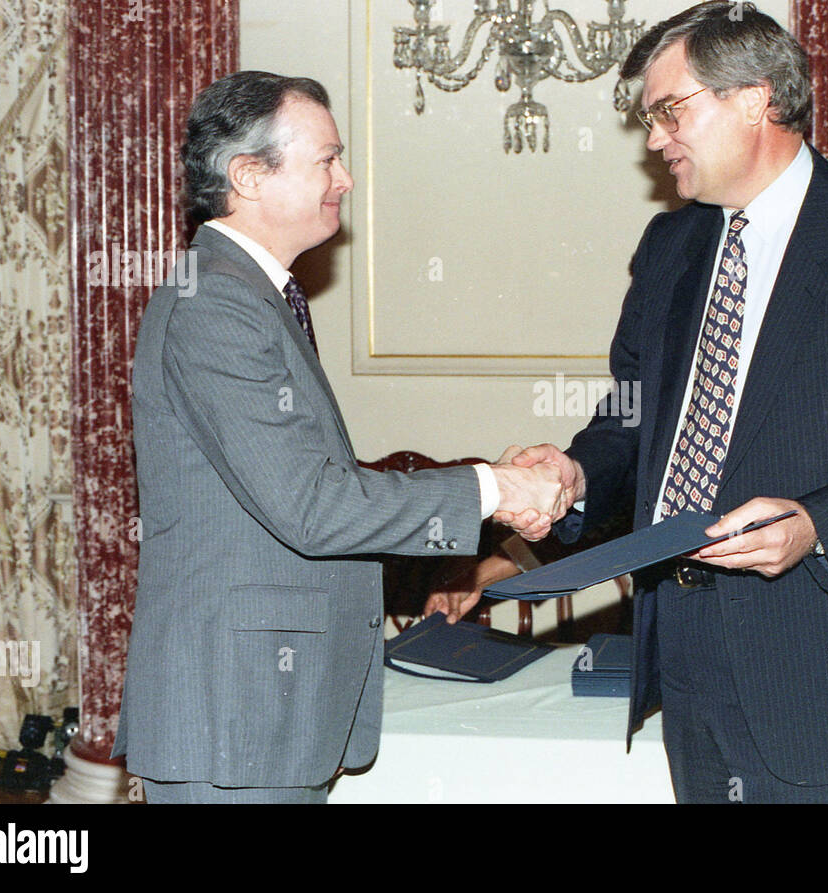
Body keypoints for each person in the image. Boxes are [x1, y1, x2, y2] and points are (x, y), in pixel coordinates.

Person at [502, 2, 828, 803]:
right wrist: (575, 474)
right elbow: (633, 421)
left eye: (670, 110)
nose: (655, 138)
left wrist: (818, 524)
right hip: (688, 663)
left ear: (754, 97)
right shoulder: (671, 247)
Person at [113, 71, 564, 803]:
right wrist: (494, 487)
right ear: (248, 175)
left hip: (266, 716)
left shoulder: (251, 294)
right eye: (327, 159)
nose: (346, 180)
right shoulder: (217, 305)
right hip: (236, 721)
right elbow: (312, 504)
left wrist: (487, 489)